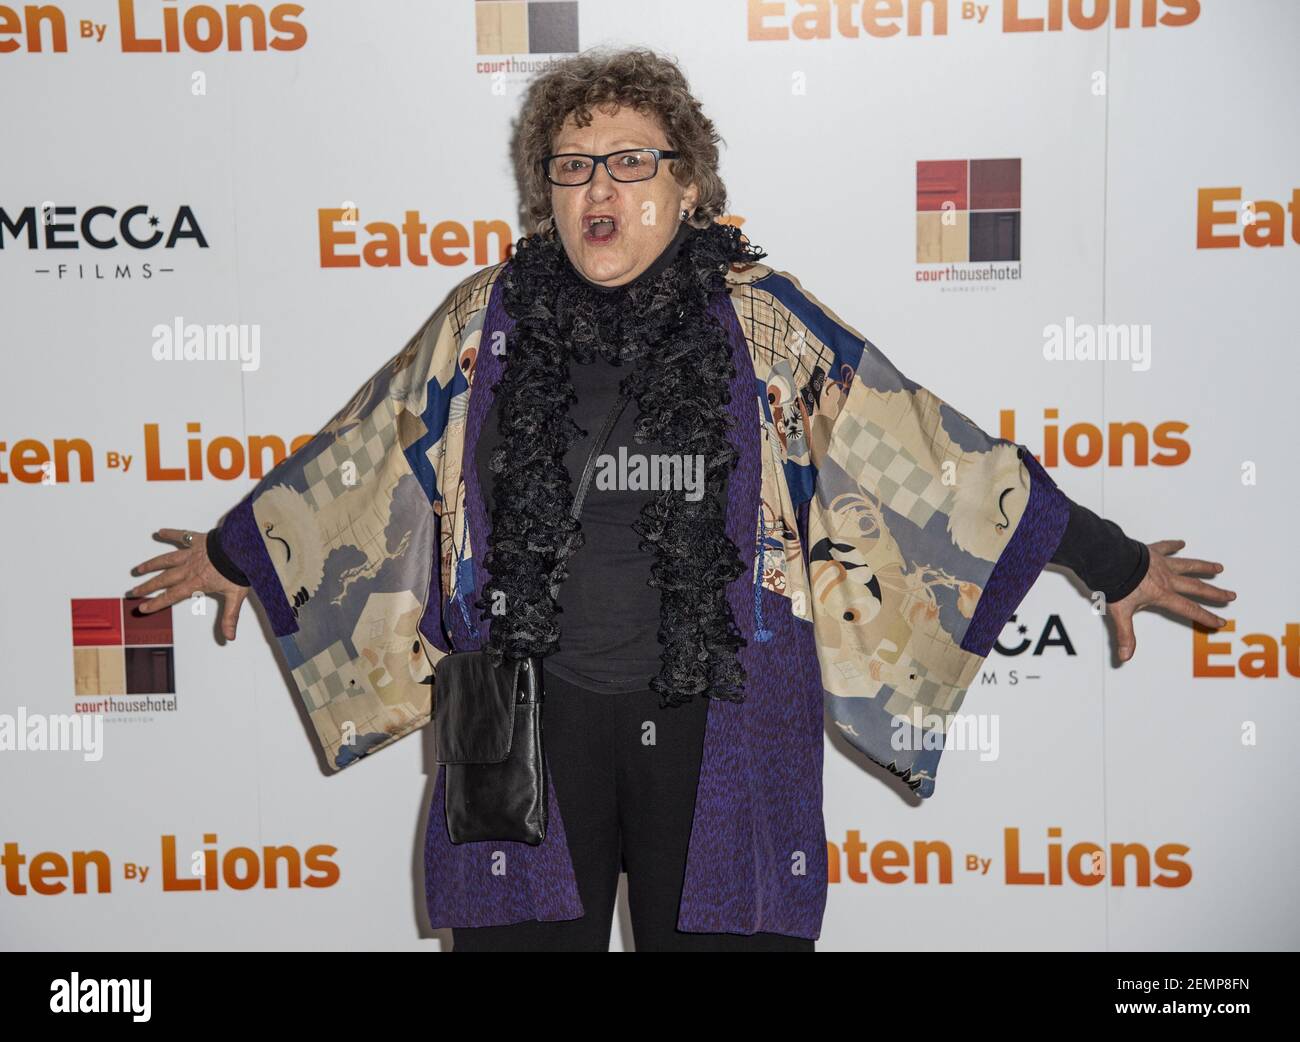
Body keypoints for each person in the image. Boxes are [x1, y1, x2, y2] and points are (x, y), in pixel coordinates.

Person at [127, 47, 1234, 952]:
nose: (598, 189)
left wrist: (1106, 556)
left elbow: (925, 447)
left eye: (629, 162)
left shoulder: (760, 322)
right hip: (529, 720)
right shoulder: (487, 314)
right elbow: (370, 450)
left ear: (687, 183)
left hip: (725, 718)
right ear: (544, 191)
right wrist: (240, 549)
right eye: (571, 167)